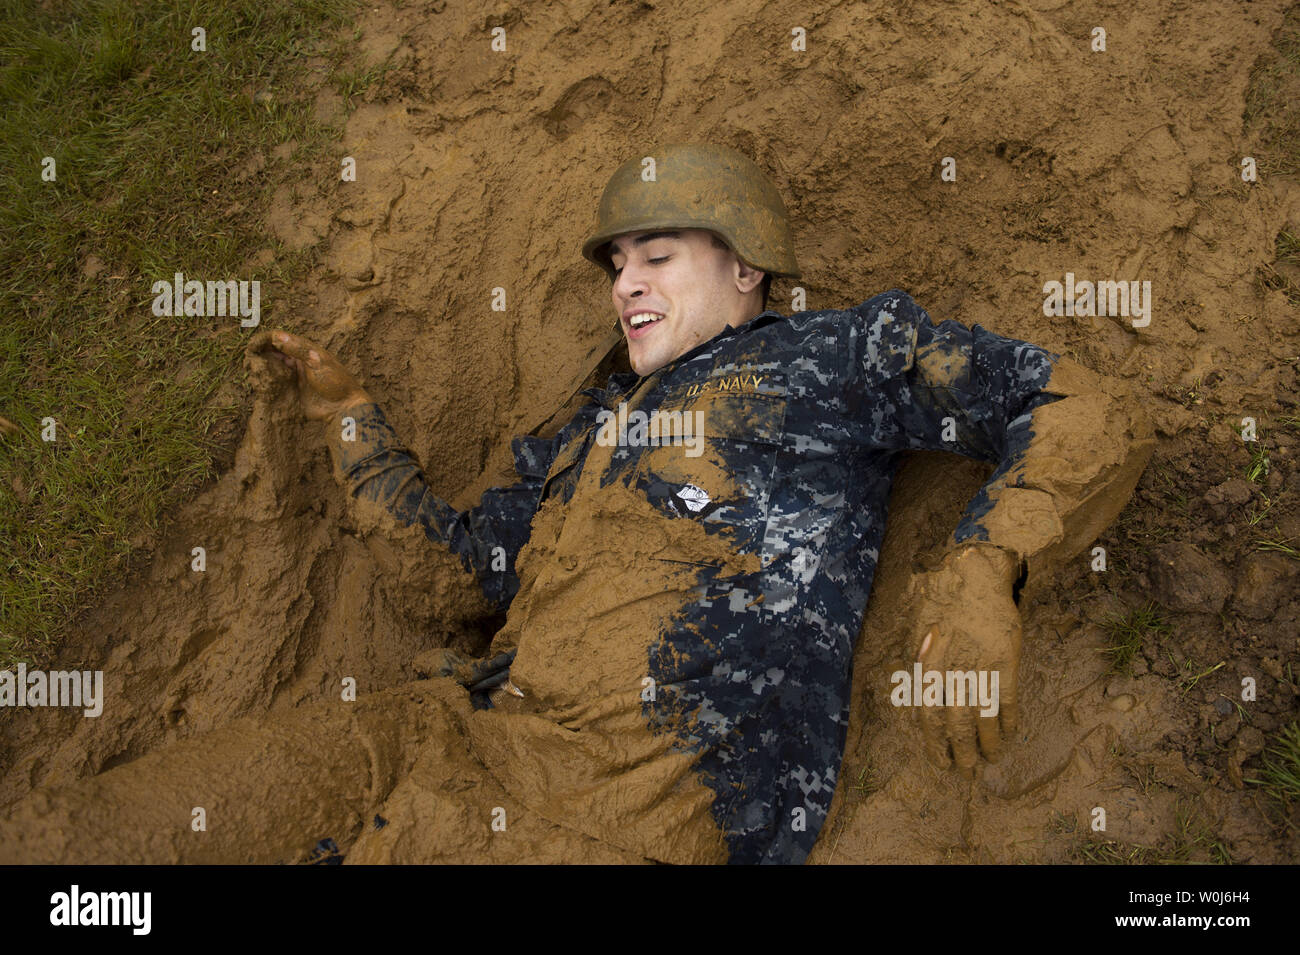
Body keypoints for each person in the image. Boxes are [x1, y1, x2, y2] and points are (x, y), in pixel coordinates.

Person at [0, 143, 1154, 865]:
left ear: (747, 267)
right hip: (436, 739)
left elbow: (1082, 406)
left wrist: (988, 566)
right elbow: (450, 585)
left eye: (657, 254)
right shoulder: (580, 427)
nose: (624, 284)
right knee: (82, 858)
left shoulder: (836, 355)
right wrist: (346, 414)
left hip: (621, 812)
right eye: (615, 266)